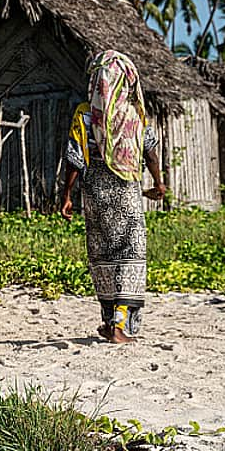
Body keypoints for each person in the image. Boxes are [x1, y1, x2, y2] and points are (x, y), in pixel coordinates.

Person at [59, 50, 166, 344]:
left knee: (102, 253)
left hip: (94, 192)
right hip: (126, 192)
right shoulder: (133, 114)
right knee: (130, 252)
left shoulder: (84, 114)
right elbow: (151, 150)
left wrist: (67, 195)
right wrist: (158, 182)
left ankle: (109, 321)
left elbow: (73, 157)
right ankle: (120, 323)